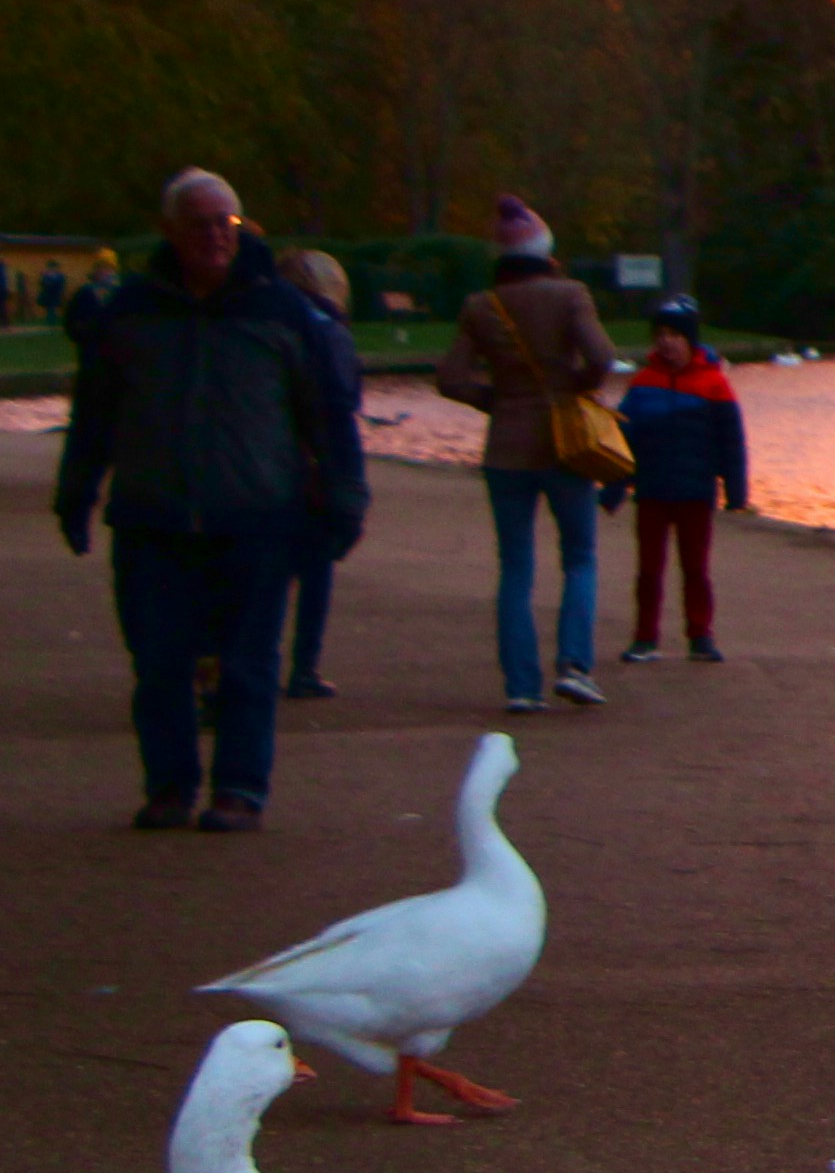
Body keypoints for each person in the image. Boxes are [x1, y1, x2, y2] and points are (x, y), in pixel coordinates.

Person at [53, 169, 366, 830]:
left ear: (240, 228)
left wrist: (344, 494)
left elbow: (328, 412)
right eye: (197, 224)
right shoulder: (133, 311)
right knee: (160, 664)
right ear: (170, 231)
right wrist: (75, 492)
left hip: (255, 514)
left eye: (223, 223)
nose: (212, 237)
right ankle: (169, 786)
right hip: (153, 516)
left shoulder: (280, 312)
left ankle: (240, 790)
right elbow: (95, 413)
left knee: (249, 664)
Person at [433, 196, 621, 714]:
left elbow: (450, 378)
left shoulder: (481, 306)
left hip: (507, 448)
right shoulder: (570, 295)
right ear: (546, 251)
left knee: (515, 566)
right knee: (579, 557)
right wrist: (577, 387)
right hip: (565, 443)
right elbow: (603, 357)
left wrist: (496, 400)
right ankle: (575, 667)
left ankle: (520, 686)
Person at [617, 297, 750, 661]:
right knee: (648, 571)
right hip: (653, 489)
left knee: (695, 569)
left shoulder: (714, 384)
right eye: (660, 334)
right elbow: (623, 439)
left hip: (695, 490)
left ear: (689, 339)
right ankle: (645, 638)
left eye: (674, 334)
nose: (666, 341)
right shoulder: (643, 383)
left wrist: (736, 491)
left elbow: (731, 442)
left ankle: (700, 635)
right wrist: (615, 485)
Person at [279, 246, 358, 696]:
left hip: (266, 464)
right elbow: (340, 408)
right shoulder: (331, 334)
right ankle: (304, 664)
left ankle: (250, 661)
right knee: (315, 569)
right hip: (311, 466)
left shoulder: (268, 325)